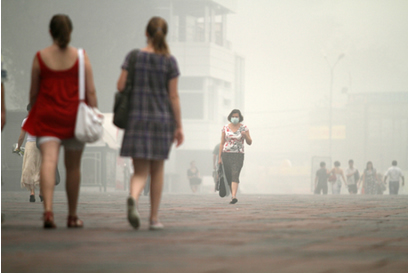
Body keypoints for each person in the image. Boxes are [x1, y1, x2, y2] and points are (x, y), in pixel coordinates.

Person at [22, 14, 98, 229]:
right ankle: (72, 216)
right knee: (73, 168)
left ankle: (48, 212)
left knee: (48, 161)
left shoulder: (40, 57)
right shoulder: (82, 57)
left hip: (47, 117)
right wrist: (93, 110)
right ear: (70, 32)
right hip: (73, 118)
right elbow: (90, 91)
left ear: (50, 32)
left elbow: (33, 94)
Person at [117, 17, 183, 230]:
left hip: (137, 119)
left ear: (146, 33)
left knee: (140, 172)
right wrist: (179, 126)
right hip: (162, 121)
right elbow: (174, 96)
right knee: (158, 170)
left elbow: (120, 85)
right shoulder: (169, 62)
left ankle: (133, 198)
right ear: (165, 34)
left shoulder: (134, 57)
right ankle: (154, 218)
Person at [218, 109, 252, 204]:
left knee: (235, 174)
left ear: (240, 118)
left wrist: (245, 136)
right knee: (229, 175)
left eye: (236, 117)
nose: (235, 118)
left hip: (238, 155)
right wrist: (219, 158)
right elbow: (222, 143)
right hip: (226, 154)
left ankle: (234, 196)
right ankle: (232, 192)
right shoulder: (225, 128)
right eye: (233, 116)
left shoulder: (244, 128)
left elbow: (250, 142)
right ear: (230, 117)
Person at [15, 104, 42, 202]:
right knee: (40, 168)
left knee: (30, 168)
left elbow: (21, 137)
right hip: (40, 145)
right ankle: (41, 192)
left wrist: (18, 146)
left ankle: (32, 192)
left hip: (30, 145)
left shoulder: (25, 121)